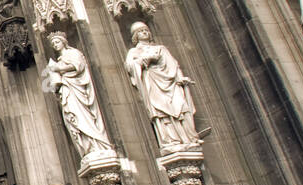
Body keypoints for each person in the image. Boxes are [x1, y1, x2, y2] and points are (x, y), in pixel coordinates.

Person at [124, 22, 200, 152]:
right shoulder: (134, 51)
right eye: (141, 31)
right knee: (162, 112)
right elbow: (130, 66)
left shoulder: (161, 48)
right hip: (153, 83)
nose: (145, 33)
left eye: (146, 30)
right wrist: (146, 59)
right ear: (135, 36)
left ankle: (188, 138)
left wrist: (180, 78)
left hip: (170, 83)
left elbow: (174, 66)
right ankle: (171, 141)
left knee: (180, 106)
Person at [43, 31, 114, 163]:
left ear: (64, 42)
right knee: (73, 117)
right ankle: (87, 147)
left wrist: (58, 69)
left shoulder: (73, 53)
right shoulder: (59, 60)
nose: (55, 45)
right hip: (67, 90)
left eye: (57, 42)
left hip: (78, 89)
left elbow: (79, 66)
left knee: (84, 116)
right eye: (53, 44)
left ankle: (97, 144)